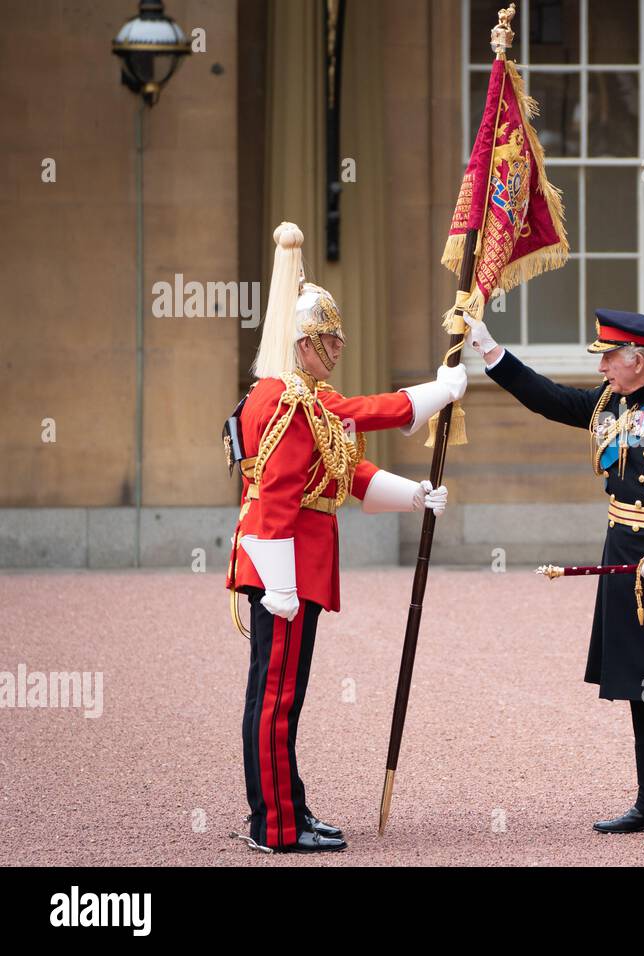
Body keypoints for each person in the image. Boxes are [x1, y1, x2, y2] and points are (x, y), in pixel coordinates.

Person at [226, 222, 466, 852]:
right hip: (283, 567)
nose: (333, 349)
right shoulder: (285, 400)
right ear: (301, 342)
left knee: (282, 699)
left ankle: (288, 808)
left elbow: (344, 471)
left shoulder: (296, 396)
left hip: (293, 564)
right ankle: (274, 826)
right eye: (324, 339)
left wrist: (411, 494)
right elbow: (280, 492)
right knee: (275, 700)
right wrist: (435, 394)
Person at [467, 308, 644, 836]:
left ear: (637, 359)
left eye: (609, 357)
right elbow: (555, 400)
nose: (602, 368)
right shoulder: (615, 403)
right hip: (623, 556)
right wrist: (493, 354)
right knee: (641, 685)